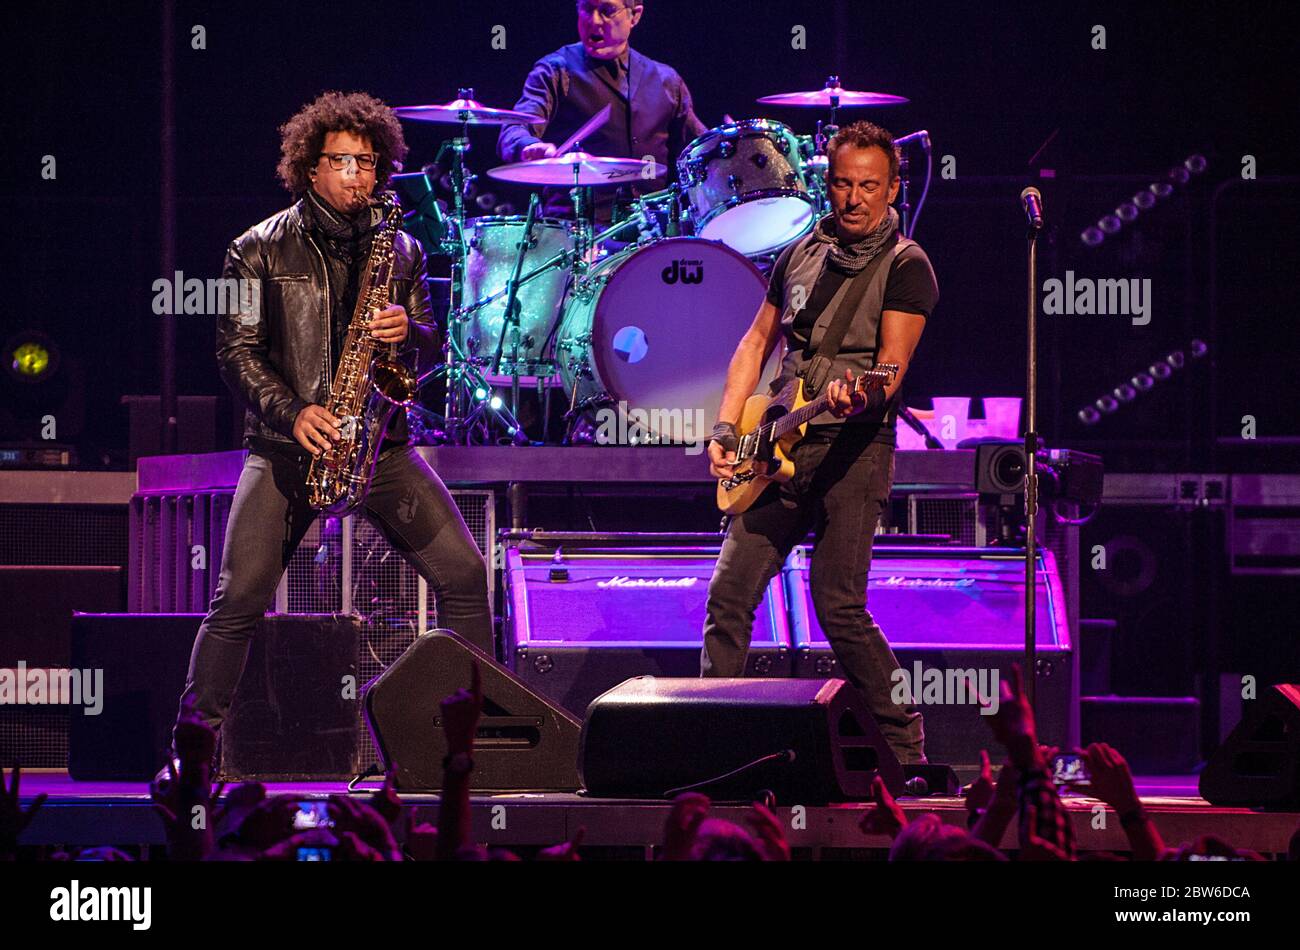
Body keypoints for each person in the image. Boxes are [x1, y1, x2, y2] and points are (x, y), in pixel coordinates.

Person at [164, 91, 494, 776]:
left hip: (380, 447)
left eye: (367, 163)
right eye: (341, 161)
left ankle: (475, 743)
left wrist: (413, 336)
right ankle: (193, 752)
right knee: (238, 599)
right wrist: (293, 413)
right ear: (308, 167)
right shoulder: (255, 247)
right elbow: (236, 353)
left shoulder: (400, 247)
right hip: (290, 451)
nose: (356, 176)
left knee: (465, 576)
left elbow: (427, 352)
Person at [702, 121, 938, 765]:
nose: (854, 198)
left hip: (852, 453)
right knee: (728, 598)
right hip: (775, 447)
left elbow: (890, 369)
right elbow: (756, 344)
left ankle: (904, 749)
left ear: (893, 189)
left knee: (837, 605)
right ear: (825, 182)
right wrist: (727, 429)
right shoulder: (800, 252)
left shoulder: (907, 266)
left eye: (869, 186)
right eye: (842, 183)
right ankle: (713, 746)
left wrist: (857, 394)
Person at [497, 0, 706, 224]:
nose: (594, 21)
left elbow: (700, 148)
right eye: (586, 10)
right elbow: (514, 128)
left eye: (607, 11)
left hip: (655, 229)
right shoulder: (556, 70)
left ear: (634, 16)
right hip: (576, 231)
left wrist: (735, 150)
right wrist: (528, 146)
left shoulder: (666, 80)